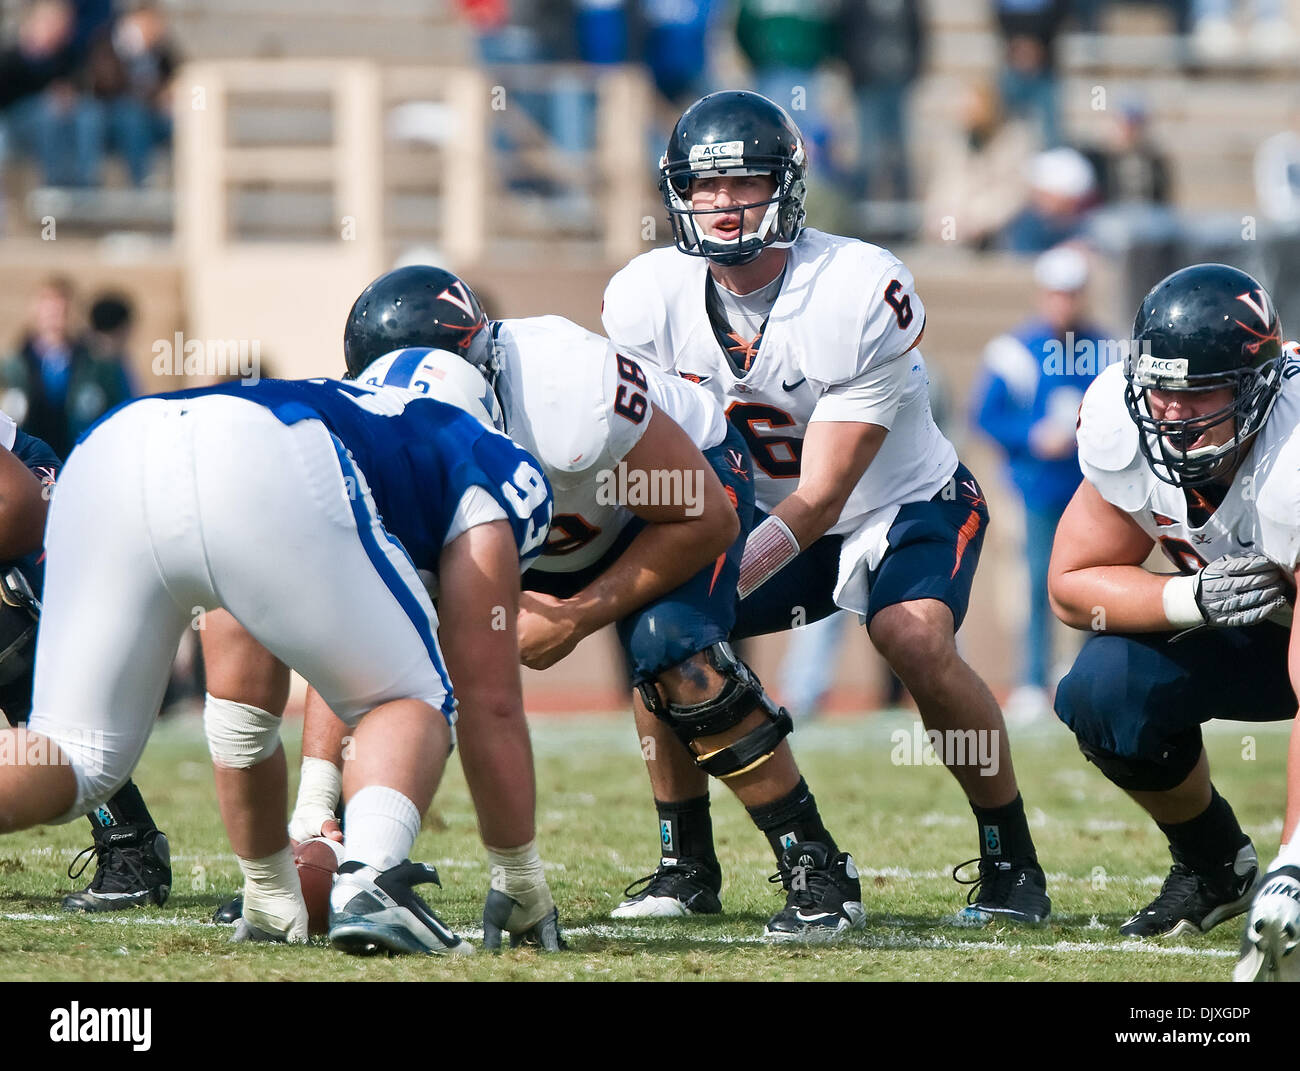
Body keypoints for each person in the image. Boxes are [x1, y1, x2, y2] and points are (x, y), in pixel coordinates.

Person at [603, 90, 1051, 923]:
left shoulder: (852, 288)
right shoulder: (647, 298)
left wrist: (719, 579)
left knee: (911, 635)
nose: (724, 205)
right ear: (676, 194)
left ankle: (1010, 856)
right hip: (758, 513)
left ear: (788, 186)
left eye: (745, 183)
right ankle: (687, 865)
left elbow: (820, 498)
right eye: (704, 187)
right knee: (657, 628)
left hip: (900, 503)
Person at [323, 265, 864, 941]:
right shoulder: (369, 447)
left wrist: (576, 614)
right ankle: (686, 866)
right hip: (547, 530)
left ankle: (816, 863)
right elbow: (353, 637)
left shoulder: (567, 392)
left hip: (671, 493)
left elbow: (706, 519)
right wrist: (312, 818)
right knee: (387, 645)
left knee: (673, 647)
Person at [0, 371, 557, 956]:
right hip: (251, 463)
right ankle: (371, 881)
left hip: (109, 452)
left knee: (76, 755)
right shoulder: (477, 455)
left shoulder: (335, 413)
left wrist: (270, 885)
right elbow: (489, 700)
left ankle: (268, 895)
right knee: (409, 697)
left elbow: (240, 703)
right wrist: (519, 879)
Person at [1050, 263, 1295, 943]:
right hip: (1250, 632)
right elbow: (1073, 581)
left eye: (1200, 393)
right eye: (1162, 391)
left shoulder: (1292, 453)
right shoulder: (1126, 428)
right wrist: (1191, 597)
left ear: (1256, 387)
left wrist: (1294, 865)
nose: (1175, 415)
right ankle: (1215, 865)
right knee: (1105, 689)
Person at [0, 404, 171, 911]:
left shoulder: (28, 472)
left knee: (12, 632)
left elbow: (21, 518)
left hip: (29, 532)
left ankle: (130, 841)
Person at [971, 245, 1108, 720]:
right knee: (1034, 582)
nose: (1064, 304)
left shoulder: (1104, 348)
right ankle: (1031, 679)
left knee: (1099, 583)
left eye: (1072, 294)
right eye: (1057, 293)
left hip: (1093, 491)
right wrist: (1032, 436)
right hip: (1034, 487)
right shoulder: (1013, 351)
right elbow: (985, 417)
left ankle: (1087, 672)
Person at [0, 277, 135, 461]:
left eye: (61, 310)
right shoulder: (11, 368)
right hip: (28, 467)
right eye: (49, 310)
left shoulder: (100, 367)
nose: (55, 318)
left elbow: (123, 411)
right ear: (35, 311)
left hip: (79, 464)